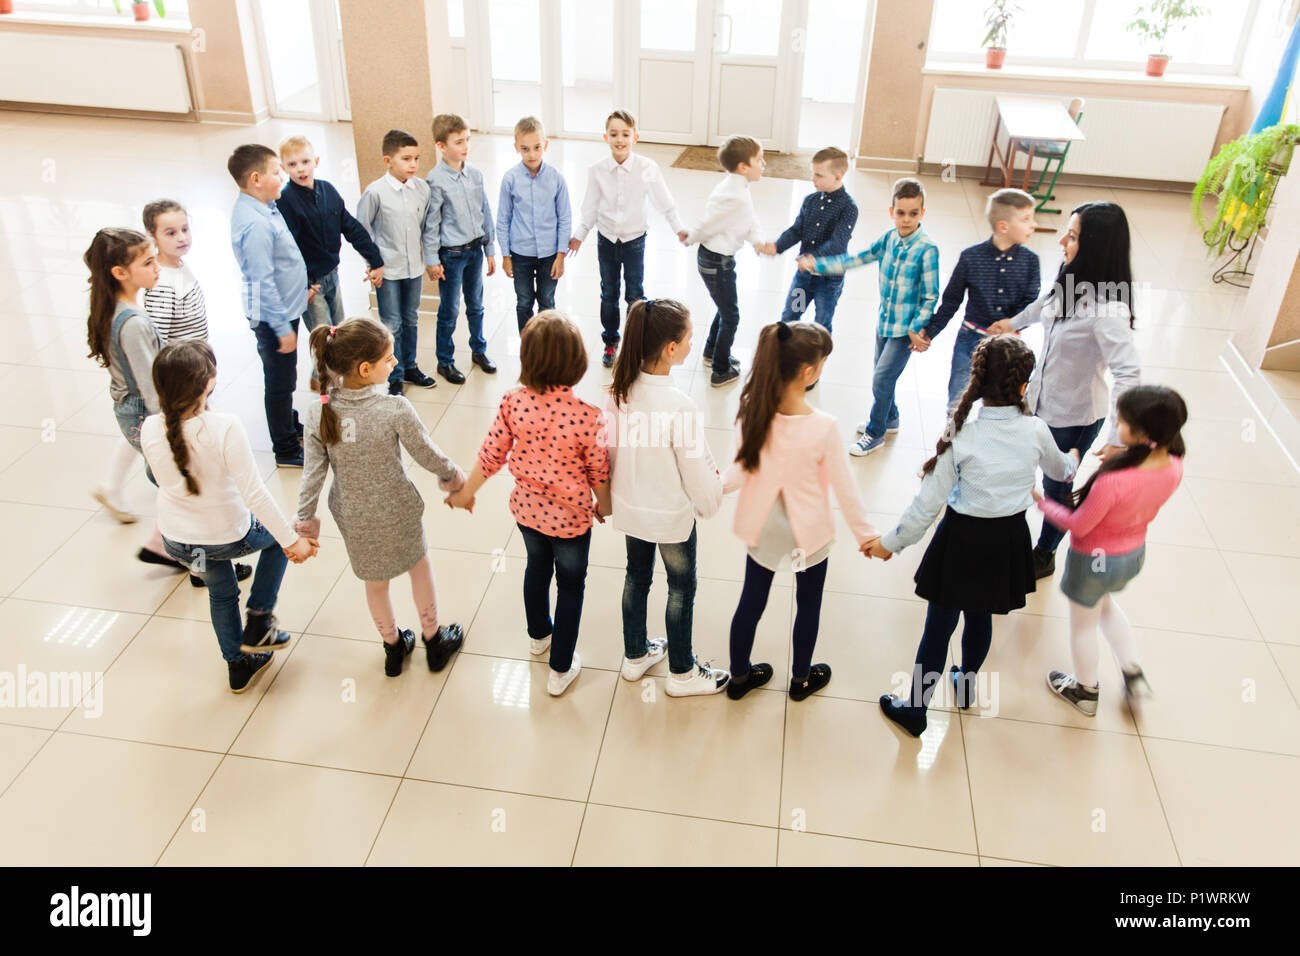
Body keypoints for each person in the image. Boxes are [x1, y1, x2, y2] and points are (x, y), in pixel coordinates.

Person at [872, 335, 1078, 737]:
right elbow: (1061, 471)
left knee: (938, 629)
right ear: (1023, 386)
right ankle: (965, 685)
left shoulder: (963, 433)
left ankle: (915, 709)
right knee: (981, 617)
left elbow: (926, 506)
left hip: (961, 541)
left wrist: (889, 544)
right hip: (1006, 540)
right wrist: (1072, 458)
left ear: (978, 382)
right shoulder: (1036, 430)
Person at [446, 312, 611, 697]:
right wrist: (604, 506)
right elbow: (598, 471)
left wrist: (466, 492)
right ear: (577, 363)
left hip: (526, 512)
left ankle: (539, 636)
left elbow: (490, 455)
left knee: (536, 569)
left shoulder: (513, 402)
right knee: (571, 587)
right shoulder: (589, 417)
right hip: (571, 522)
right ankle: (560, 669)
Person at [140, 340, 319, 694]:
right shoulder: (224, 427)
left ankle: (237, 667)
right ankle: (259, 620)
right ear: (206, 385)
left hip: (178, 540)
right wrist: (292, 541)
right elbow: (255, 494)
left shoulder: (148, 427)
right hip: (228, 534)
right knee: (273, 543)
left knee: (221, 595)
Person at [294, 318, 468, 677]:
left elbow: (313, 475)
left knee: (375, 585)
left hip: (354, 518)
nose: (394, 364)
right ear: (365, 369)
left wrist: (305, 523)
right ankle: (434, 641)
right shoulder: (394, 409)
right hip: (399, 511)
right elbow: (426, 453)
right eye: (389, 360)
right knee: (419, 568)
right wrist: (452, 477)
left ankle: (393, 647)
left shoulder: (318, 412)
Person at [722, 322, 880, 702]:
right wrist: (867, 536)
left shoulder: (751, 410)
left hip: (764, 527)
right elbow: (846, 489)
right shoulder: (823, 427)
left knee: (751, 602)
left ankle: (739, 677)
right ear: (808, 372)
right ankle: (801, 679)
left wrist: (704, 488)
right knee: (808, 605)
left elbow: (738, 472)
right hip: (807, 535)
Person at [988, 201, 1142, 579]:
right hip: (1039, 401)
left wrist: (1119, 438)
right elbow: (1046, 304)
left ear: (1096, 246)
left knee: (1057, 489)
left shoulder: (1109, 311)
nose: (1061, 241)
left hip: (1072, 417)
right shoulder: (1073, 278)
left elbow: (1128, 373)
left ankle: (1044, 553)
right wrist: (1014, 323)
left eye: (1071, 236)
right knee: (1023, 469)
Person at [603, 298, 728, 697]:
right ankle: (681, 672)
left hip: (631, 512)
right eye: (690, 338)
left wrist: (606, 501)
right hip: (671, 520)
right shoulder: (680, 407)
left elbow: (605, 455)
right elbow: (697, 478)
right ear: (670, 349)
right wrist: (713, 499)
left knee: (636, 578)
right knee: (680, 588)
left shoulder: (618, 392)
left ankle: (635, 655)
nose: (694, 344)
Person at [1039, 385, 1186, 716]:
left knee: (1082, 625)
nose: (1117, 425)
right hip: (1132, 556)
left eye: (1122, 421)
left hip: (1095, 561)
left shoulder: (1112, 482)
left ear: (1140, 432)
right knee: (1104, 606)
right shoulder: (1174, 464)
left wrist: (1043, 503)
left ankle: (1085, 689)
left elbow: (1078, 525)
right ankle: (1132, 672)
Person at [800, 177, 940, 456]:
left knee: (882, 379)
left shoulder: (927, 249)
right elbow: (858, 258)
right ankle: (890, 418)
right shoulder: (888, 239)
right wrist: (821, 264)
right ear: (892, 212)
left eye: (914, 213)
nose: (906, 220)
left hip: (904, 331)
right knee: (883, 376)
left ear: (922, 214)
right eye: (901, 213)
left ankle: (875, 434)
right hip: (884, 323)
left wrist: (916, 327)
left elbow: (930, 296)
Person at [568, 110, 686, 368]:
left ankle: (636, 343)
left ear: (635, 137)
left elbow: (664, 203)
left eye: (625, 134)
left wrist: (678, 228)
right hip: (607, 240)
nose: (619, 139)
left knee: (635, 293)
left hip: (634, 241)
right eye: (613, 134)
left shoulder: (647, 168)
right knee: (608, 292)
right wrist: (579, 235)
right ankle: (611, 341)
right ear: (605, 137)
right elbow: (589, 207)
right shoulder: (597, 170)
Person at [276, 134, 386, 390]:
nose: (300, 169)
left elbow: (350, 227)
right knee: (323, 335)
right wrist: (304, 284)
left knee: (339, 330)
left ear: (315, 161)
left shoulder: (328, 191)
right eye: (292, 165)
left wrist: (374, 259)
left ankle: (336, 375)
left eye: (305, 161)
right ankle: (321, 382)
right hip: (310, 285)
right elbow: (289, 250)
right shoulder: (286, 202)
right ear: (283, 168)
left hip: (331, 275)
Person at [228, 143, 312, 468]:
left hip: (286, 308)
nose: (283, 177)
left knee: (285, 377)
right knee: (280, 382)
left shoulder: (264, 206)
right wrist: (280, 328)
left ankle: (288, 423)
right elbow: (261, 280)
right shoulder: (256, 224)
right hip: (273, 318)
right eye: (277, 172)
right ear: (255, 178)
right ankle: (286, 448)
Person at [923, 187, 1040, 410]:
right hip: (970, 340)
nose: (1033, 225)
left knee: (1005, 403)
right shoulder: (970, 257)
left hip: (1010, 345)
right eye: (1026, 219)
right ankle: (951, 441)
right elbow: (951, 300)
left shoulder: (1031, 261)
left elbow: (1031, 302)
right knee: (957, 402)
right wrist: (930, 332)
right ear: (1003, 226)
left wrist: (1011, 324)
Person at [681, 135, 773, 388]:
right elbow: (709, 222)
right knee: (731, 316)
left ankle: (712, 352)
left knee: (725, 309)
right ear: (743, 167)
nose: (764, 163)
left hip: (717, 258)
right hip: (717, 261)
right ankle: (720, 370)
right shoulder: (734, 195)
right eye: (759, 159)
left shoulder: (738, 188)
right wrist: (691, 237)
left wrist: (757, 242)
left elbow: (749, 219)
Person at [355, 129, 438, 395]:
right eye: (406, 158)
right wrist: (372, 263)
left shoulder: (422, 189)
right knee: (392, 323)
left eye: (416, 158)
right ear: (387, 160)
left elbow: (425, 226)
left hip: (413, 266)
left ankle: (411, 366)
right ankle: (395, 375)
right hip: (387, 270)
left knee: (411, 318)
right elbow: (362, 230)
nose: (413, 164)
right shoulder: (375, 192)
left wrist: (430, 259)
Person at [424, 113, 497, 385]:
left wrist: (490, 248)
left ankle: (479, 350)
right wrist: (432, 260)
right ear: (441, 146)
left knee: (476, 305)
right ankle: (445, 361)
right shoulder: (435, 180)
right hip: (451, 256)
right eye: (458, 142)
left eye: (467, 140)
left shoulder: (475, 174)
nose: (465, 146)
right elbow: (431, 224)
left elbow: (485, 212)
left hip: (475, 251)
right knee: (450, 309)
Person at [773, 146, 859, 338]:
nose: (813, 179)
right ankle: (783, 355)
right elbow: (797, 230)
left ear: (837, 177)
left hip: (829, 281)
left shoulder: (849, 208)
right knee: (790, 316)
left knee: (822, 323)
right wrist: (777, 246)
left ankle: (816, 362)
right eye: (813, 173)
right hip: (804, 278)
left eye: (819, 175)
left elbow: (838, 242)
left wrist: (813, 257)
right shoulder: (809, 201)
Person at [498, 116, 571, 331]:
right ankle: (528, 348)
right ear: (516, 148)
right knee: (524, 303)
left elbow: (565, 218)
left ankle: (546, 347)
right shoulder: (510, 179)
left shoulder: (556, 178)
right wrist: (505, 256)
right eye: (525, 148)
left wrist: (560, 256)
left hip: (550, 254)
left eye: (537, 147)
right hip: (520, 253)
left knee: (547, 303)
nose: (531, 154)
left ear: (545, 145)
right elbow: (503, 219)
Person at [142, 199, 209, 343]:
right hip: (182, 363)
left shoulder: (179, 263)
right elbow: (158, 341)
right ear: (153, 237)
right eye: (171, 233)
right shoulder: (161, 284)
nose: (182, 238)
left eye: (185, 229)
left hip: (197, 357)